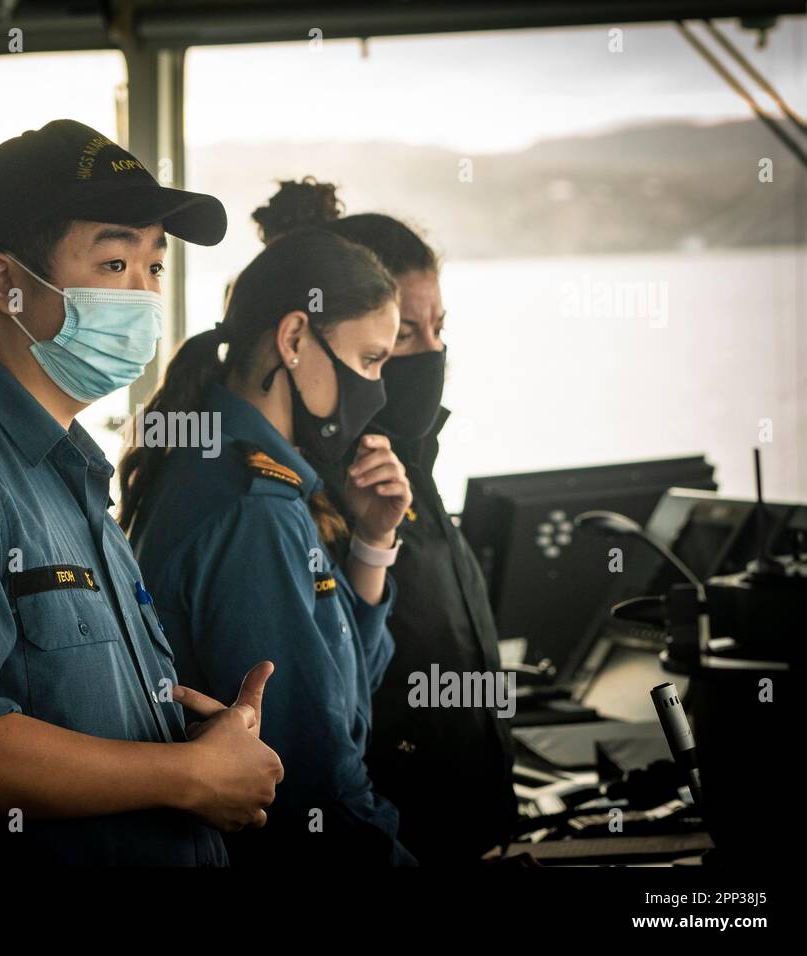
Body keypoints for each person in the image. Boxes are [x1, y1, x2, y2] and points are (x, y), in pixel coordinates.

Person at [0, 119, 284, 866]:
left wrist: (178, 741)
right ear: (8, 284)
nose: (143, 296)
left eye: (154, 268)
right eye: (113, 263)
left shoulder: (68, 471)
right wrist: (186, 775)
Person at [120, 226, 417, 866]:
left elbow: (337, 695)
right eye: (369, 360)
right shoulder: (252, 506)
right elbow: (311, 773)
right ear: (292, 340)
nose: (377, 389)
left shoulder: (237, 470)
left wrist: (372, 539)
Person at [252, 178, 517, 863]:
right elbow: (320, 715)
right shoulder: (303, 497)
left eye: (438, 329)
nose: (430, 353)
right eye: (400, 338)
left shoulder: (410, 472)